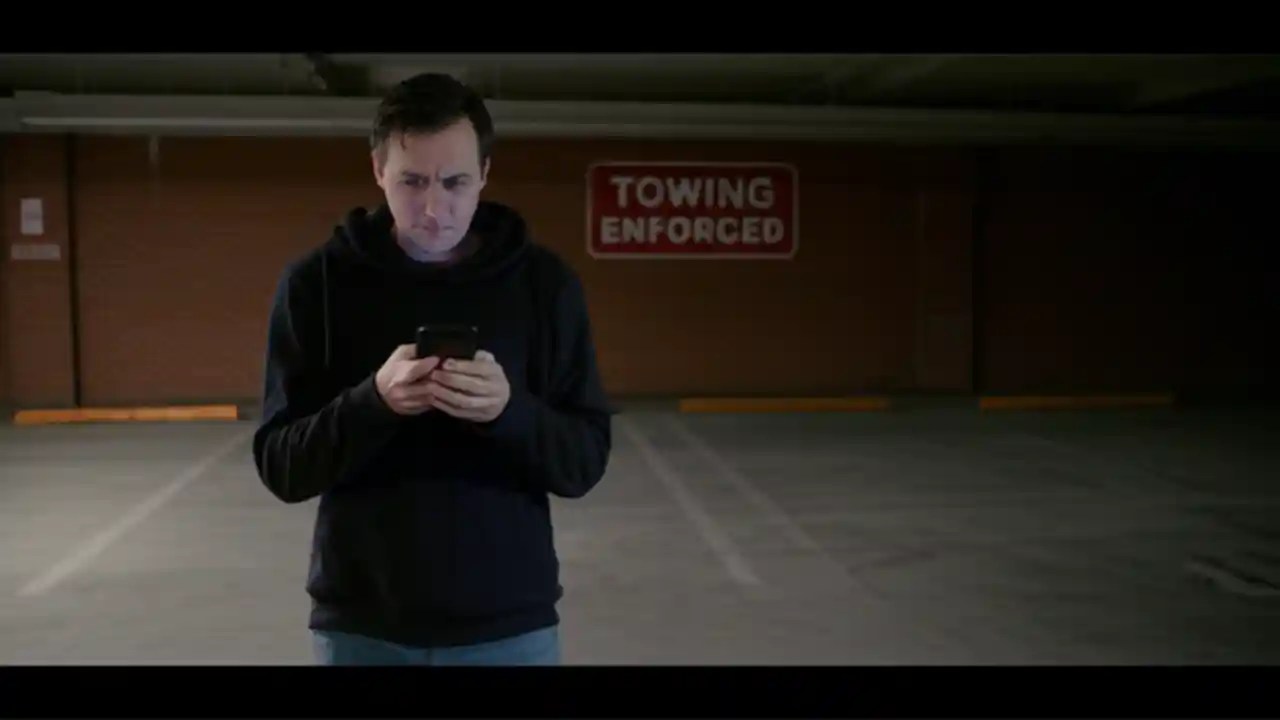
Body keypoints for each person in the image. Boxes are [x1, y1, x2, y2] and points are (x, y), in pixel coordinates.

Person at [251, 72, 614, 665]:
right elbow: (281, 466)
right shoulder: (316, 284)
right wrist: (372, 402)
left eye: (455, 182)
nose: (433, 209)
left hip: (509, 627)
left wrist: (508, 411)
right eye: (411, 181)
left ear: (486, 177)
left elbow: (584, 463)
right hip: (363, 627)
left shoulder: (545, 287)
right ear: (377, 171)